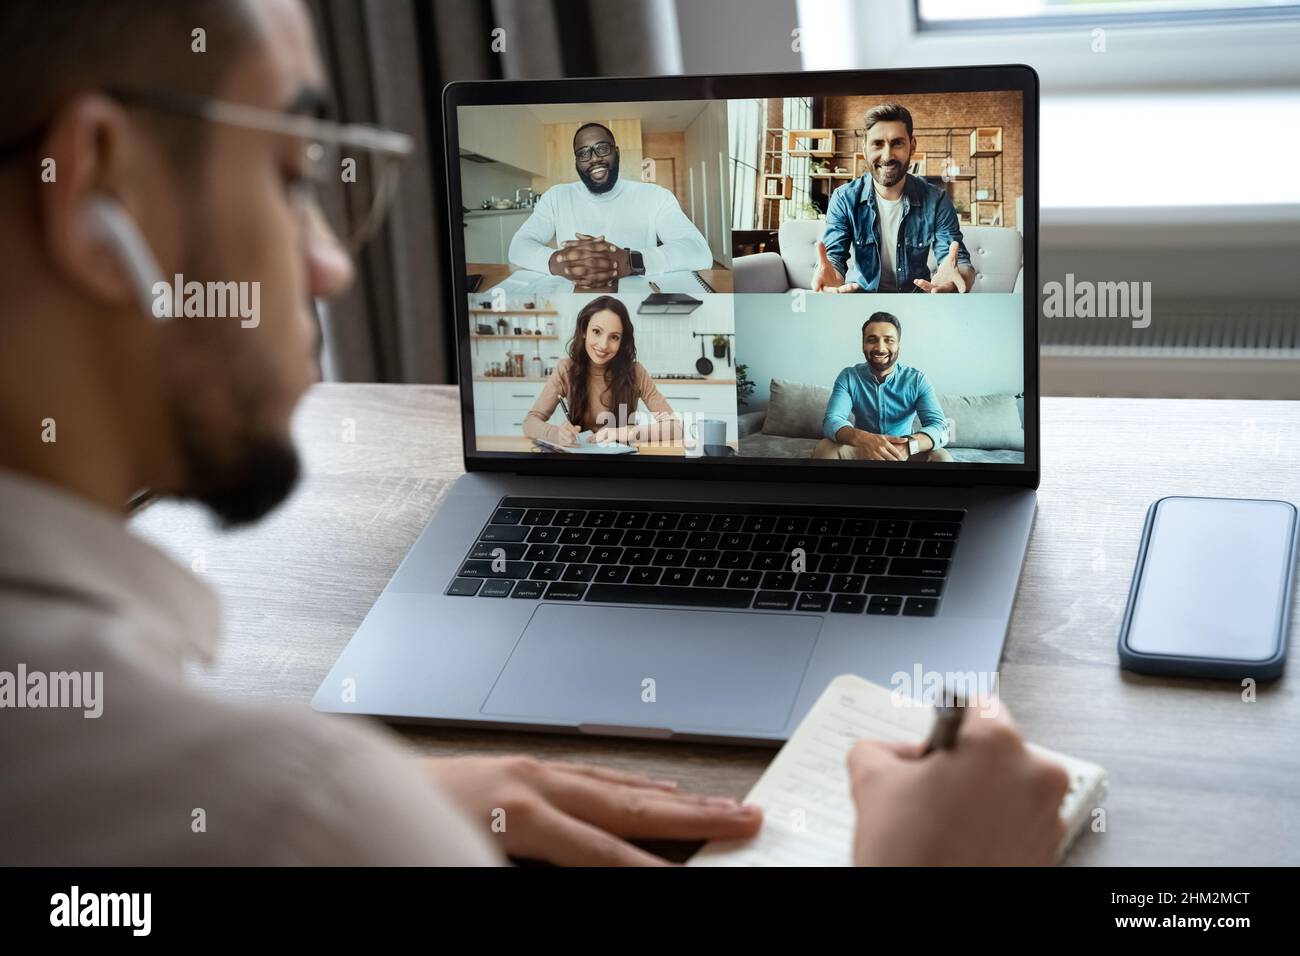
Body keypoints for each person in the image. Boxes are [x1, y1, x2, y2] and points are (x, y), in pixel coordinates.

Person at [0, 0, 1067, 866]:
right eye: (289, 178)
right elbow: (811, 356)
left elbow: (714, 295)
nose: (330, 266)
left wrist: (395, 795)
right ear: (102, 192)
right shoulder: (303, 809)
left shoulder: (168, 779)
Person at [507, 122, 713, 289]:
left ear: (617, 152)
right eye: (584, 153)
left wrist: (629, 262)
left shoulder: (656, 196)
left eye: (602, 149)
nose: (594, 159)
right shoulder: (556, 196)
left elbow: (699, 252)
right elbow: (518, 246)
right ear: (577, 161)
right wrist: (559, 262)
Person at [812, 103, 975, 295]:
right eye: (877, 143)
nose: (887, 155)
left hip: (916, 299)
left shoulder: (937, 200)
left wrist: (957, 280)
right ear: (864, 148)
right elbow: (833, 257)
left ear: (912, 146)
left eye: (897, 143)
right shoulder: (844, 198)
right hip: (861, 297)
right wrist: (831, 277)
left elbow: (959, 262)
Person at [523, 296, 679, 446]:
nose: (604, 345)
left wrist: (627, 433)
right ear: (584, 331)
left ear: (622, 341)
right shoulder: (566, 369)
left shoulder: (636, 372)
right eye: (596, 332)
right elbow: (530, 423)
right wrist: (556, 434)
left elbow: (676, 428)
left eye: (614, 337)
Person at [814, 312, 953, 462]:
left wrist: (908, 446)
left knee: (941, 456)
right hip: (862, 449)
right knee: (825, 448)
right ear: (863, 345)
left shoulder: (917, 380)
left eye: (889, 340)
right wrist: (867, 440)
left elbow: (940, 427)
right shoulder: (848, 377)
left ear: (898, 345)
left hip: (904, 452)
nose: (880, 348)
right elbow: (832, 420)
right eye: (872, 340)